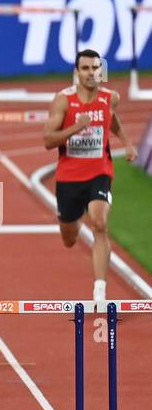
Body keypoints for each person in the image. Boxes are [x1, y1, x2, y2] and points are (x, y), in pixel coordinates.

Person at [43, 49, 138, 304]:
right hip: (69, 177)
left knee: (100, 222)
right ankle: (70, 221)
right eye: (85, 68)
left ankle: (99, 289)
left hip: (100, 172)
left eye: (95, 68)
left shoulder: (110, 98)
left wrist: (127, 143)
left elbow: (112, 119)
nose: (91, 73)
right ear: (77, 73)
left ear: (101, 71)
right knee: (69, 238)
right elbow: (47, 141)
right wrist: (76, 127)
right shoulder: (63, 101)